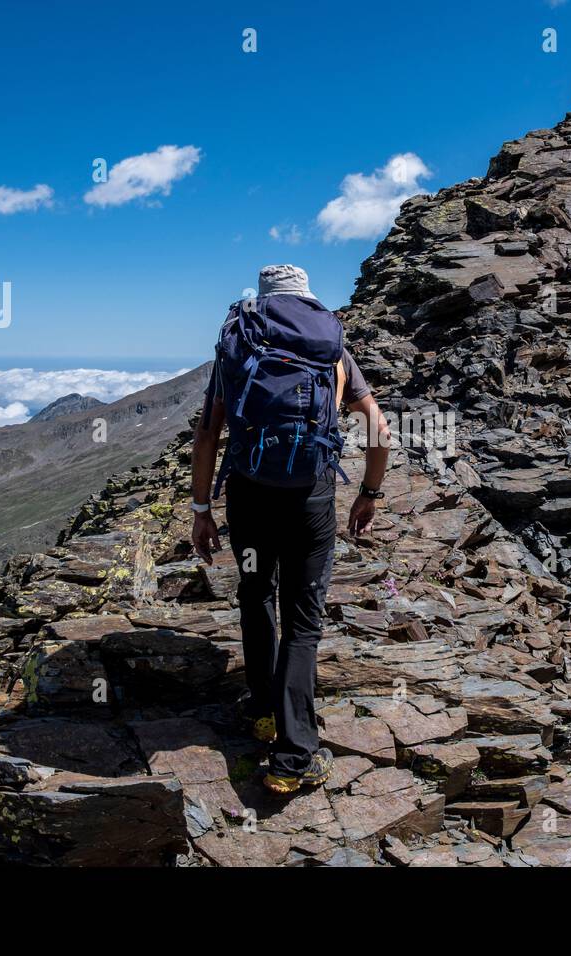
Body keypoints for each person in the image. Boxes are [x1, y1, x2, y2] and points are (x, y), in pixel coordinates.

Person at [189, 264, 391, 796]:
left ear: (262, 299)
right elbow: (379, 428)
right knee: (304, 620)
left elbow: (208, 433)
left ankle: (261, 709)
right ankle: (295, 753)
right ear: (307, 300)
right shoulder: (332, 349)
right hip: (312, 500)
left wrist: (201, 508)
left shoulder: (238, 345)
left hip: (250, 496)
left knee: (256, 593)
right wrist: (369, 493)